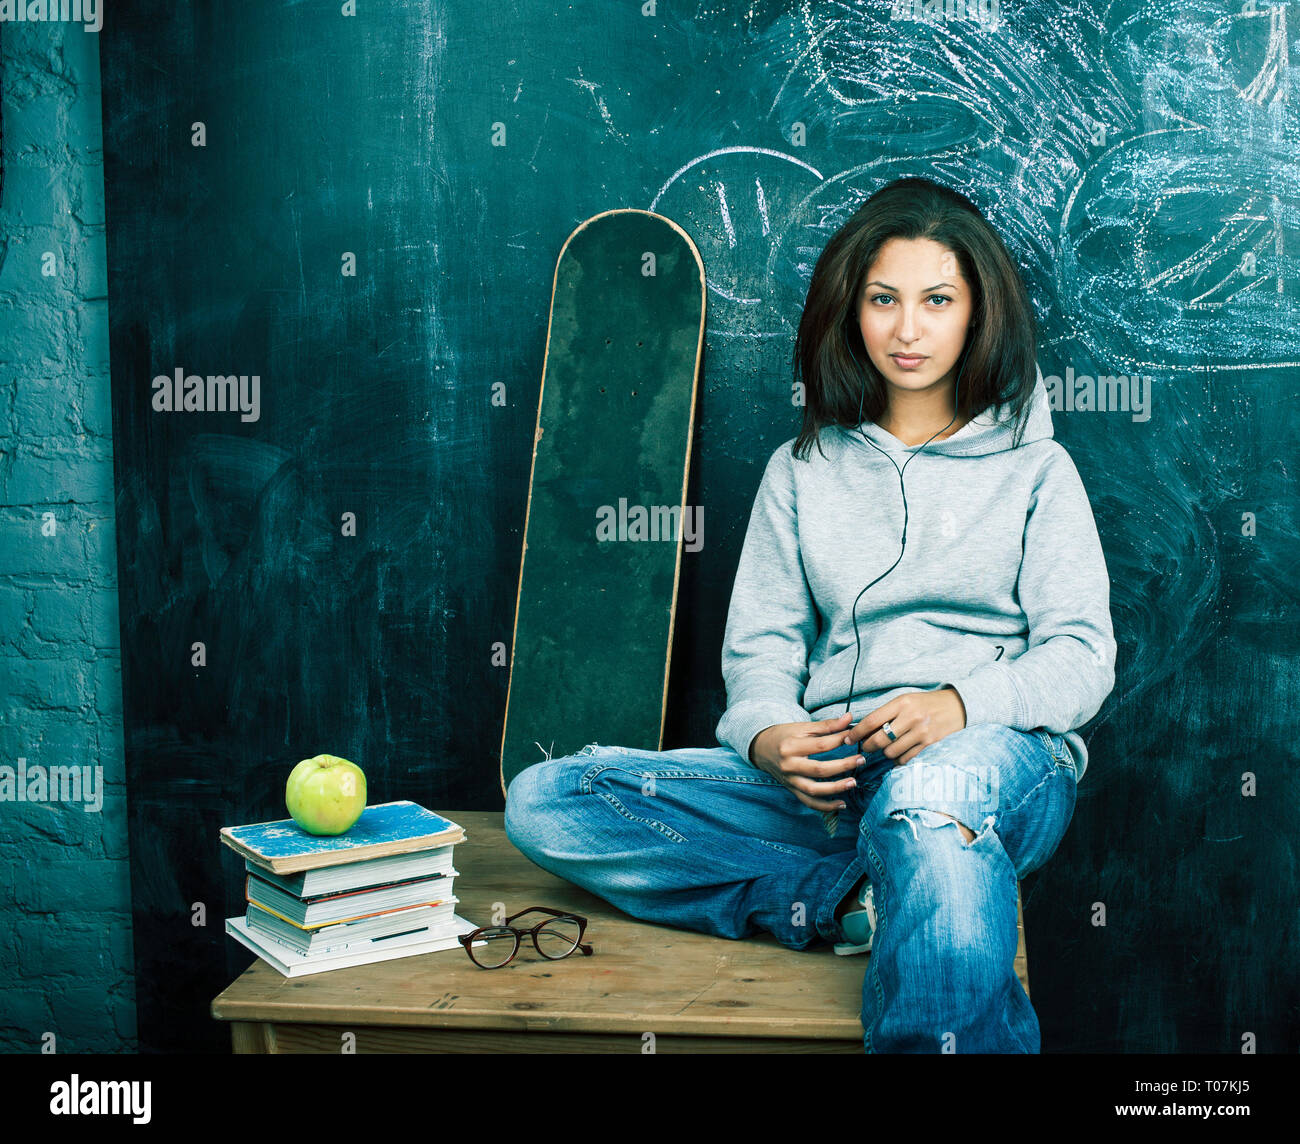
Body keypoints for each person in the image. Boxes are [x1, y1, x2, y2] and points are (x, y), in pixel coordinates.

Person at [504, 176, 1117, 1053]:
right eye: (883, 300)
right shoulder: (799, 471)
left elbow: (1083, 657)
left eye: (937, 300)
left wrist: (957, 705)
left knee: (928, 802)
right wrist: (767, 737)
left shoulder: (1038, 471)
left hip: (987, 760)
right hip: (832, 769)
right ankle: (848, 898)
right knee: (549, 798)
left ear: (978, 313)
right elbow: (758, 659)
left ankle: (897, 876)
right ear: (852, 311)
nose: (909, 330)